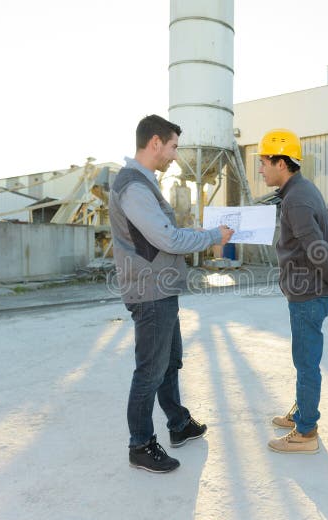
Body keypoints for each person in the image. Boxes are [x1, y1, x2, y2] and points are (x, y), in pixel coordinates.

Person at [109, 114, 234, 473]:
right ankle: (141, 445)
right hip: (149, 292)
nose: (176, 155)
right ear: (155, 143)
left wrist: (198, 233)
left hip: (160, 289)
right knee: (150, 370)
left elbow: (163, 233)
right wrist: (211, 236)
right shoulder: (133, 186)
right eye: (174, 146)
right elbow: (166, 239)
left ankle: (178, 423)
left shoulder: (144, 183)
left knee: (170, 362)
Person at [257, 128, 328, 454]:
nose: (260, 169)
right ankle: (302, 411)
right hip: (315, 289)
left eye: (264, 162)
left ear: (281, 163)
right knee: (305, 359)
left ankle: (306, 431)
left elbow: (316, 248)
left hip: (308, 294)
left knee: (306, 362)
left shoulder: (295, 200)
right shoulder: (305, 189)